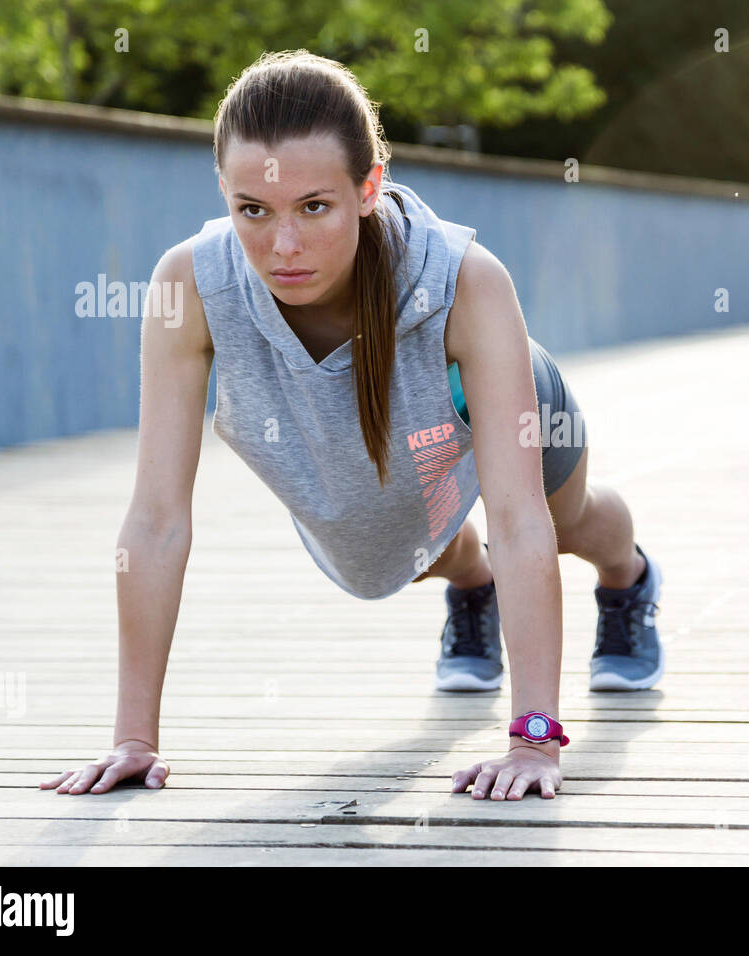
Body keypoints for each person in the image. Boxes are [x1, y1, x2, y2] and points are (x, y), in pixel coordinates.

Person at [39, 50, 664, 803]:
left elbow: (519, 518)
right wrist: (133, 739)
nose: (284, 247)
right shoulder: (189, 284)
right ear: (224, 195)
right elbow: (156, 519)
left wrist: (533, 740)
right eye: (253, 211)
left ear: (368, 188)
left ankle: (628, 577)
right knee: (382, 548)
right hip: (373, 441)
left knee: (564, 525)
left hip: (487, 401)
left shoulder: (465, 281)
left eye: (314, 206)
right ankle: (473, 583)